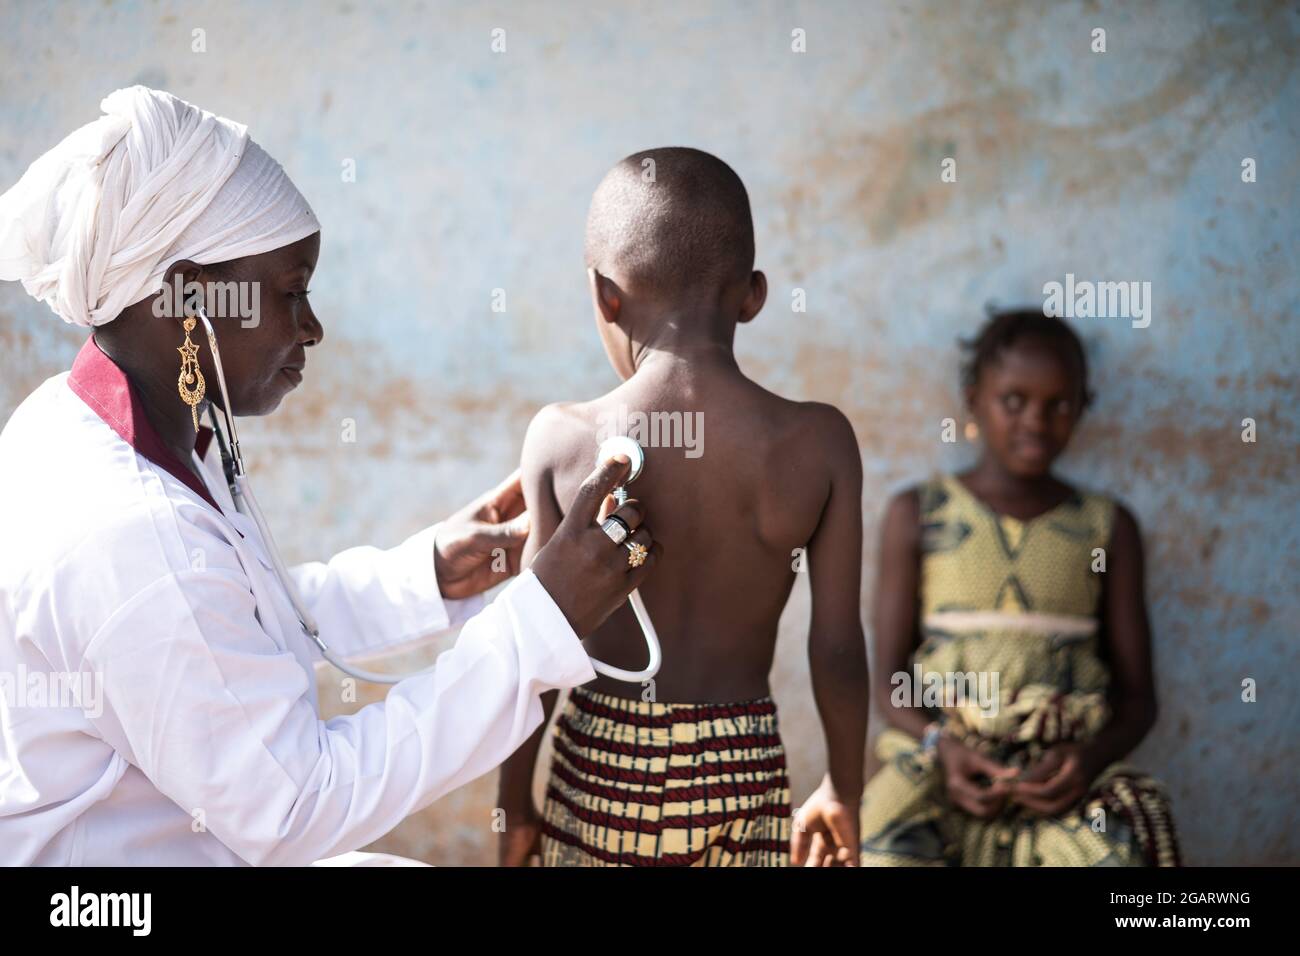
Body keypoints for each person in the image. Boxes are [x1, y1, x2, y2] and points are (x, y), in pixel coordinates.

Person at [0, 87, 658, 866]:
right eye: (290, 292)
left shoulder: (79, 420)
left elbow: (226, 628)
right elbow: (298, 807)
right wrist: (540, 622)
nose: (312, 327)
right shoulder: (128, 534)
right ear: (184, 297)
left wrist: (429, 576)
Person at [495, 147, 868, 867]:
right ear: (753, 295)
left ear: (606, 296)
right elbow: (839, 648)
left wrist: (514, 803)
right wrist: (843, 789)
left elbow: (535, 653)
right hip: (741, 774)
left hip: (601, 770)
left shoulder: (562, 439)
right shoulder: (819, 443)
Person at [852, 309, 1180, 866]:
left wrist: (1087, 758)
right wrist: (943, 746)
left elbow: (1138, 699)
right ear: (973, 398)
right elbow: (888, 680)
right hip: (944, 768)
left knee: (1124, 853)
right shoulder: (920, 514)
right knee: (883, 844)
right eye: (1014, 400)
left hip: (1063, 783)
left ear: (1083, 408)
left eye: (1059, 404)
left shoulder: (1107, 527)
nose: (1036, 421)